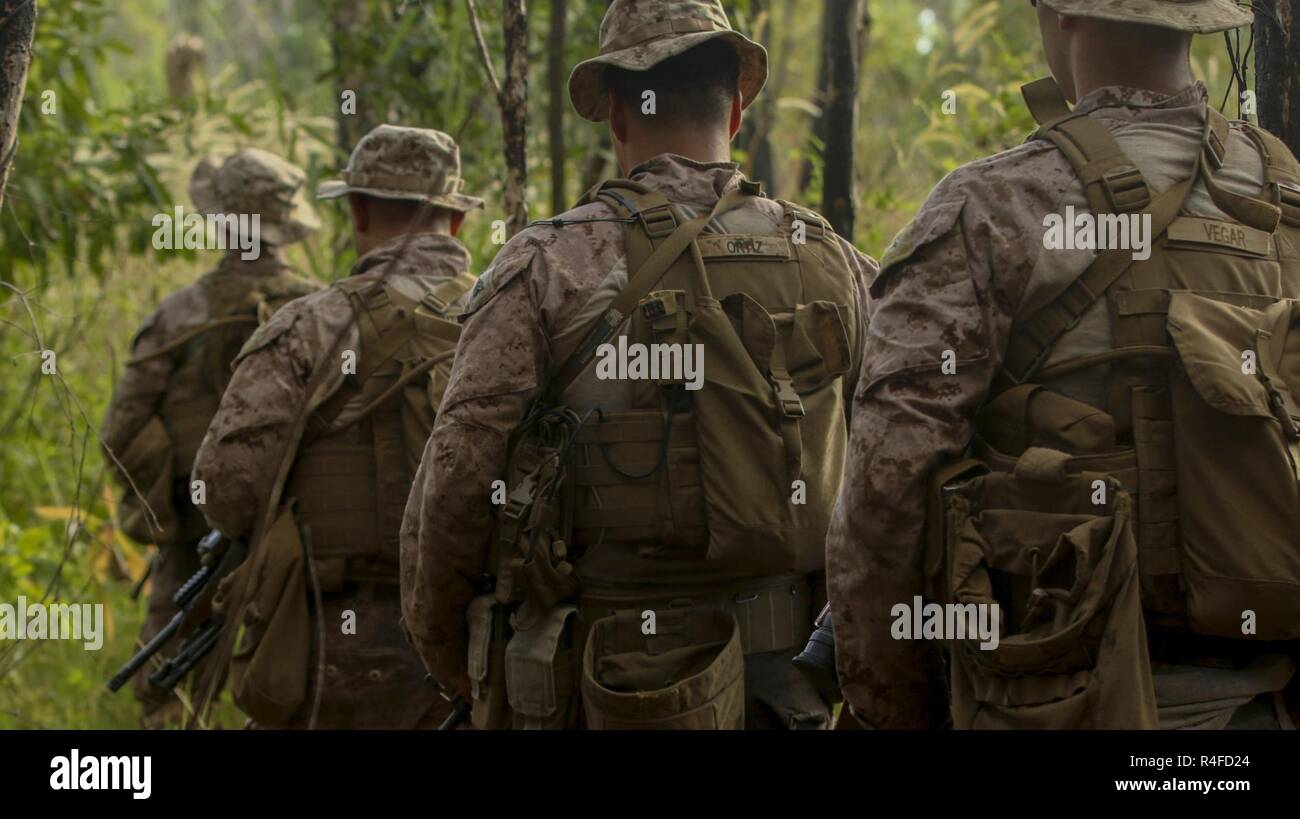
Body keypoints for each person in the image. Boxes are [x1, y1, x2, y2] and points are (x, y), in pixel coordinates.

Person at [401, 0, 876, 730]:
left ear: (618, 116)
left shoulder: (548, 263)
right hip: (790, 688)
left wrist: (457, 661)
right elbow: (903, 463)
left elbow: (457, 485)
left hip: (606, 683)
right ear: (738, 109)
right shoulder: (835, 260)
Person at [827, 0, 1300, 730]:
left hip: (1057, 701)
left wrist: (895, 708)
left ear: (1059, 14)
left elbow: (886, 488)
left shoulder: (992, 205)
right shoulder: (1285, 198)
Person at [191, 126, 483, 729]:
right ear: (454, 222)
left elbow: (226, 493)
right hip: (480, 649)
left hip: (334, 648)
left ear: (357, 210)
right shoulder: (513, 315)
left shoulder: (306, 327)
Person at [102, 148, 320, 728]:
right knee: (291, 681)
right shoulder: (324, 312)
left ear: (222, 223)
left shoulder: (179, 314)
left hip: (195, 536)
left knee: (169, 689)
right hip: (296, 535)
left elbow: (121, 428)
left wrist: (166, 511)